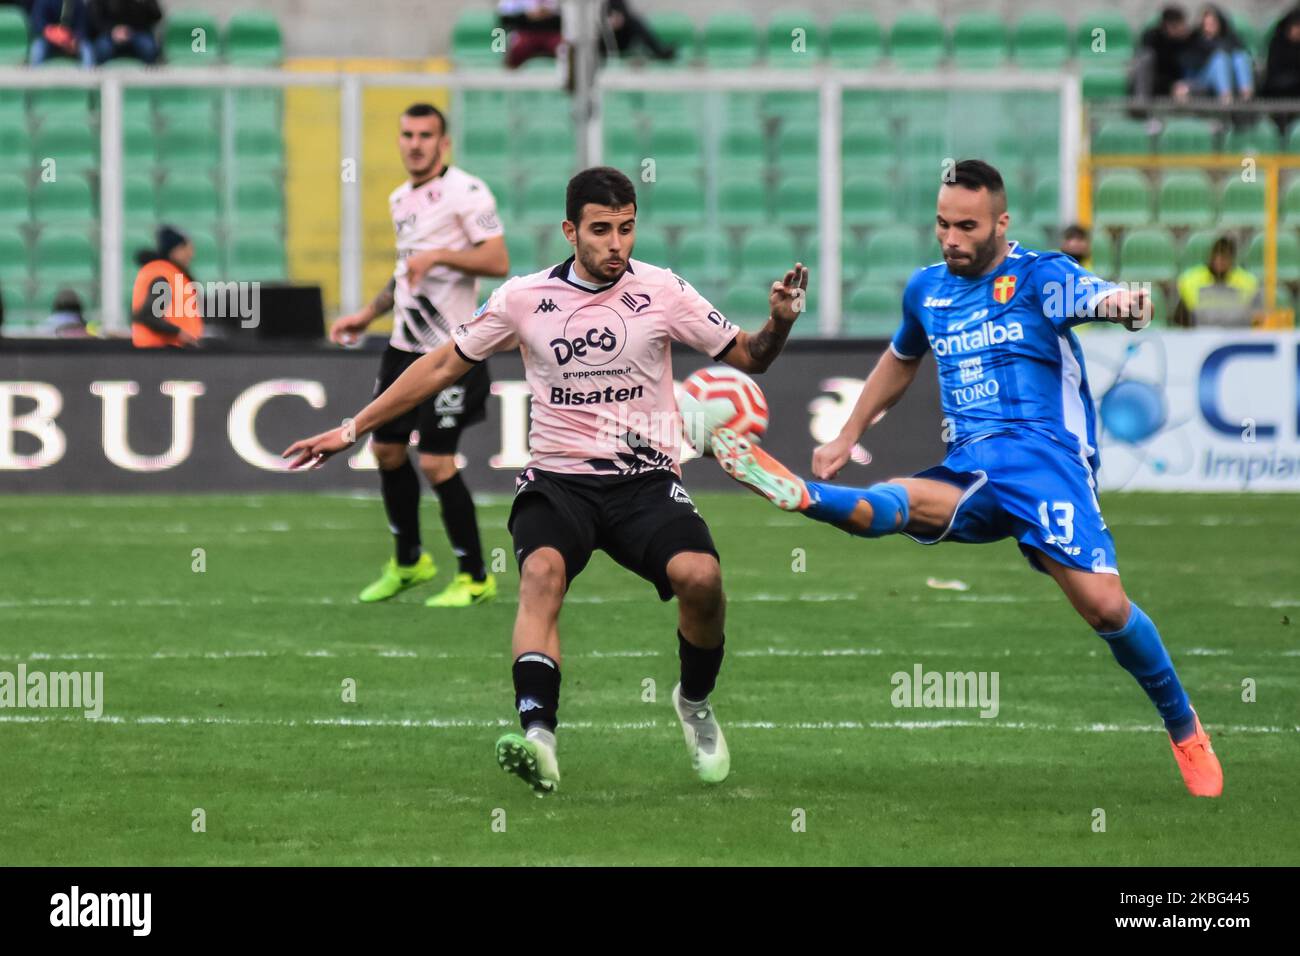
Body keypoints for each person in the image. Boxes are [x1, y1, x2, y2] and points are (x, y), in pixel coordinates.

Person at [285, 166, 809, 796]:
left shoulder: (664, 290)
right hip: (557, 481)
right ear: (570, 231)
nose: (617, 244)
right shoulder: (523, 298)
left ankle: (694, 702)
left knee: (701, 578)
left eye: (626, 229)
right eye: (601, 230)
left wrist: (778, 322)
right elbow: (443, 364)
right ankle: (539, 739)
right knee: (539, 575)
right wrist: (353, 429)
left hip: (644, 480)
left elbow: (748, 357)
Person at [708, 159, 1223, 800]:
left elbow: (1096, 296)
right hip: (971, 467)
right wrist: (846, 434)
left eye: (967, 227)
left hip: (1045, 467)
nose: (951, 238)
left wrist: (1125, 304)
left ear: (1001, 224)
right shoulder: (927, 290)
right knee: (887, 507)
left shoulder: (1041, 276)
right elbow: (900, 361)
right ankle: (801, 495)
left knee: (1104, 607)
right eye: (942, 224)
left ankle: (1185, 729)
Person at [329, 104, 508, 609]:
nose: (415, 143)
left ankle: (475, 576)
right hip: (401, 348)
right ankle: (410, 562)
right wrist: (367, 313)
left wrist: (440, 255)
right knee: (385, 451)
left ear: (444, 143)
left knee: (435, 461)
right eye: (407, 134)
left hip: (453, 350)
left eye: (426, 135)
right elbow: (405, 270)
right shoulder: (399, 198)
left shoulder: (467, 193)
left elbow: (497, 259)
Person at [130, 224, 202, 348]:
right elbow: (148, 315)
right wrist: (179, 333)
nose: (191, 255)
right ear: (175, 250)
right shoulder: (163, 275)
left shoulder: (169, 273)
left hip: (167, 352)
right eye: (187, 249)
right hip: (162, 352)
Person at [1173, 234, 1263, 327]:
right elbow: (1181, 318)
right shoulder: (1190, 280)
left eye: (1224, 257)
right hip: (1201, 335)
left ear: (1232, 260)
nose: (1219, 262)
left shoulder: (1248, 282)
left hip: (1236, 333)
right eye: (1216, 256)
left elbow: (1257, 318)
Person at [1180, 5, 1255, 103]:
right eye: (1206, 24)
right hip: (1203, 79)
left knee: (1240, 56)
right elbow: (1190, 64)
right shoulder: (1195, 39)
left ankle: (1246, 97)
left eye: (1212, 23)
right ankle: (1226, 99)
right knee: (1220, 59)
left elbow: (1242, 55)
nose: (1209, 27)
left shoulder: (1229, 38)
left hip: (1232, 77)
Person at [1131, 6, 1193, 101]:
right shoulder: (1152, 38)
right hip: (1157, 85)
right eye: (1180, 25)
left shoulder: (1189, 40)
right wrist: (1171, 86)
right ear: (1170, 26)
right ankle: (1141, 102)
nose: (1184, 28)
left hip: (1182, 85)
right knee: (1146, 56)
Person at [89, 0, 161, 65]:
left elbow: (157, 15)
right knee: (102, 49)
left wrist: (146, 3)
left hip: (137, 32)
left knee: (149, 48)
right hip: (109, 34)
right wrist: (112, 30)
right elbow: (95, 18)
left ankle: (148, 77)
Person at [498, 0, 563, 70]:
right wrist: (527, 15)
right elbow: (505, 19)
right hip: (525, 33)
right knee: (517, 49)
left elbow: (567, 17)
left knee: (564, 48)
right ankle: (509, 75)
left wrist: (548, 13)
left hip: (552, 33)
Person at [29, 0, 96, 67]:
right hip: (49, 39)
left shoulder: (77, 2)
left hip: (71, 40)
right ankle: (34, 73)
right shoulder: (43, 2)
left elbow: (81, 26)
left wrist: (74, 40)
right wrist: (54, 34)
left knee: (86, 48)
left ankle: (88, 73)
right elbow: (38, 22)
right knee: (38, 46)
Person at [602, 0, 675, 61]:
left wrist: (620, 19)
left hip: (622, 37)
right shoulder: (601, 5)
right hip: (606, 42)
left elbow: (626, 15)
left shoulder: (619, 3)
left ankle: (659, 51)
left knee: (636, 23)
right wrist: (609, 23)